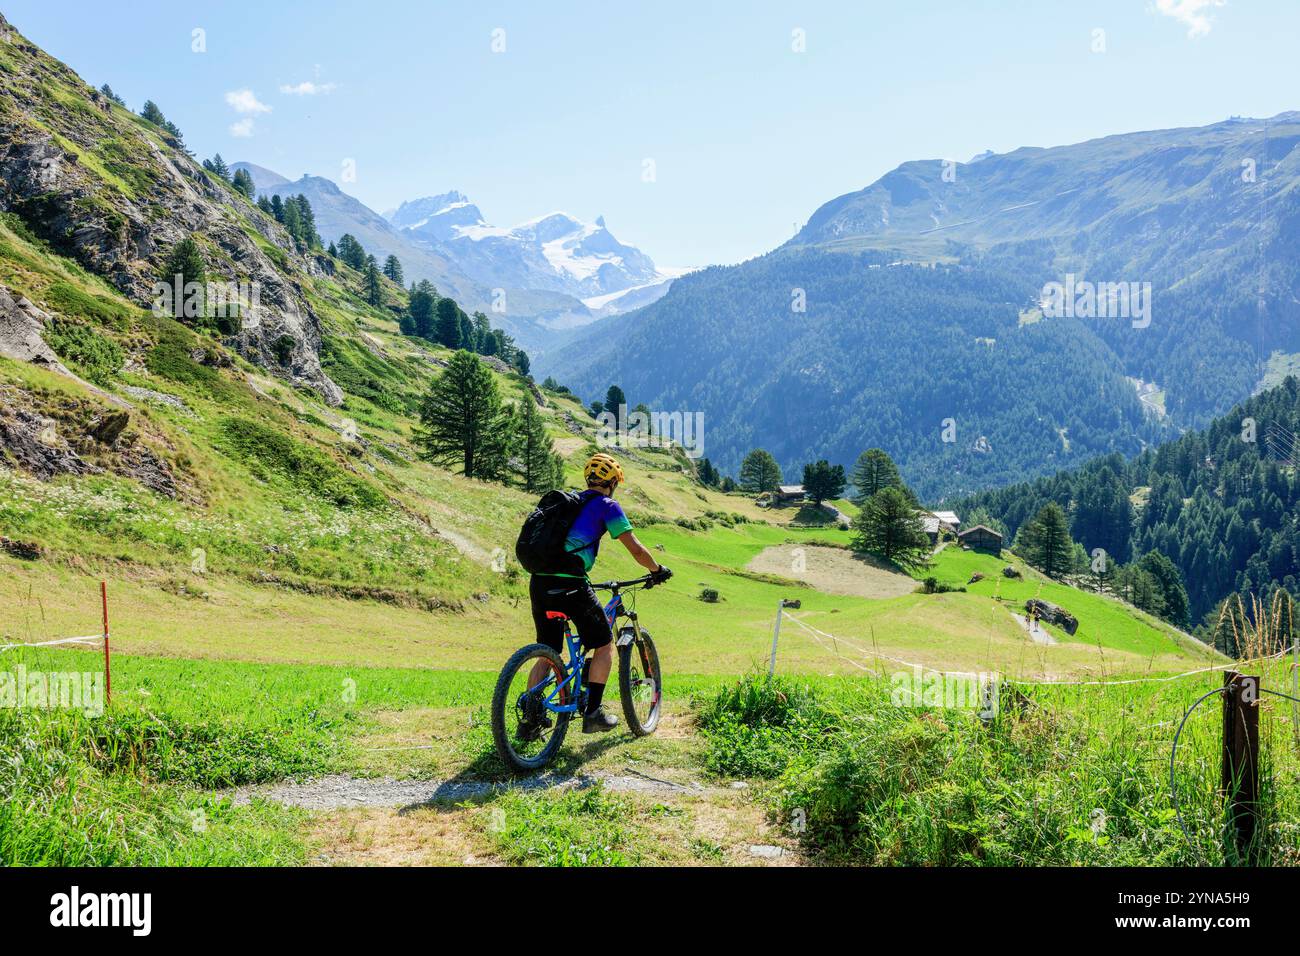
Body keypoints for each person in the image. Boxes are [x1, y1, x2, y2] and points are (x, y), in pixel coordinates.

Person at [523, 452, 670, 736]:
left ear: (588, 479)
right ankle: (593, 713)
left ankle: (530, 718)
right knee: (604, 645)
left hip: (540, 583)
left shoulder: (566, 504)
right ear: (613, 483)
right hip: (572, 584)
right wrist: (656, 569)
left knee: (548, 653)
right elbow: (636, 549)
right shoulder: (607, 506)